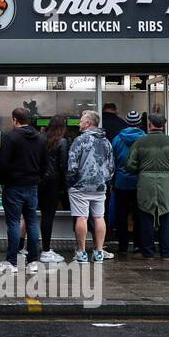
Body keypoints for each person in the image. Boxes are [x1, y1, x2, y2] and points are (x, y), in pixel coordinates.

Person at [126, 113, 169, 262]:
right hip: (166, 183)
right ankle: (167, 252)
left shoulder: (140, 142)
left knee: (145, 216)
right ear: (164, 124)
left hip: (145, 183)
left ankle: (147, 252)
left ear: (149, 124)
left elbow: (129, 165)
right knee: (166, 215)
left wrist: (140, 171)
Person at [0, 107, 45, 275]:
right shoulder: (40, 138)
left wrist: (2, 180)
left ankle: (12, 262)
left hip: (14, 186)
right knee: (31, 222)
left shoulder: (11, 137)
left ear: (15, 120)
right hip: (32, 186)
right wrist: (37, 178)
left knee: (14, 223)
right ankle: (33, 262)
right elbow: (45, 164)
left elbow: (3, 163)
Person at [67, 110, 115, 263]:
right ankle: (99, 252)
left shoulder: (79, 141)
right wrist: (103, 180)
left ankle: (81, 252)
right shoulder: (106, 142)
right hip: (99, 187)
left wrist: (71, 181)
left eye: (81, 121)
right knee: (99, 217)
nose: (79, 123)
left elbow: (72, 165)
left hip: (80, 186)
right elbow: (111, 167)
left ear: (88, 123)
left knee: (82, 217)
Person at [109, 110, 146, 253]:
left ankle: (123, 246)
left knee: (121, 215)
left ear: (126, 122)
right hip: (140, 182)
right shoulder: (144, 138)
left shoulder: (117, 139)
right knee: (139, 214)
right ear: (138, 123)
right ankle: (138, 244)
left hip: (121, 182)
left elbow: (112, 162)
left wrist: (113, 181)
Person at [38, 115, 70, 264]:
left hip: (41, 181)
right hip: (54, 182)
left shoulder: (42, 139)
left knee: (40, 215)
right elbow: (63, 165)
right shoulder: (62, 142)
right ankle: (46, 249)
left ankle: (35, 247)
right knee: (48, 215)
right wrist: (66, 185)